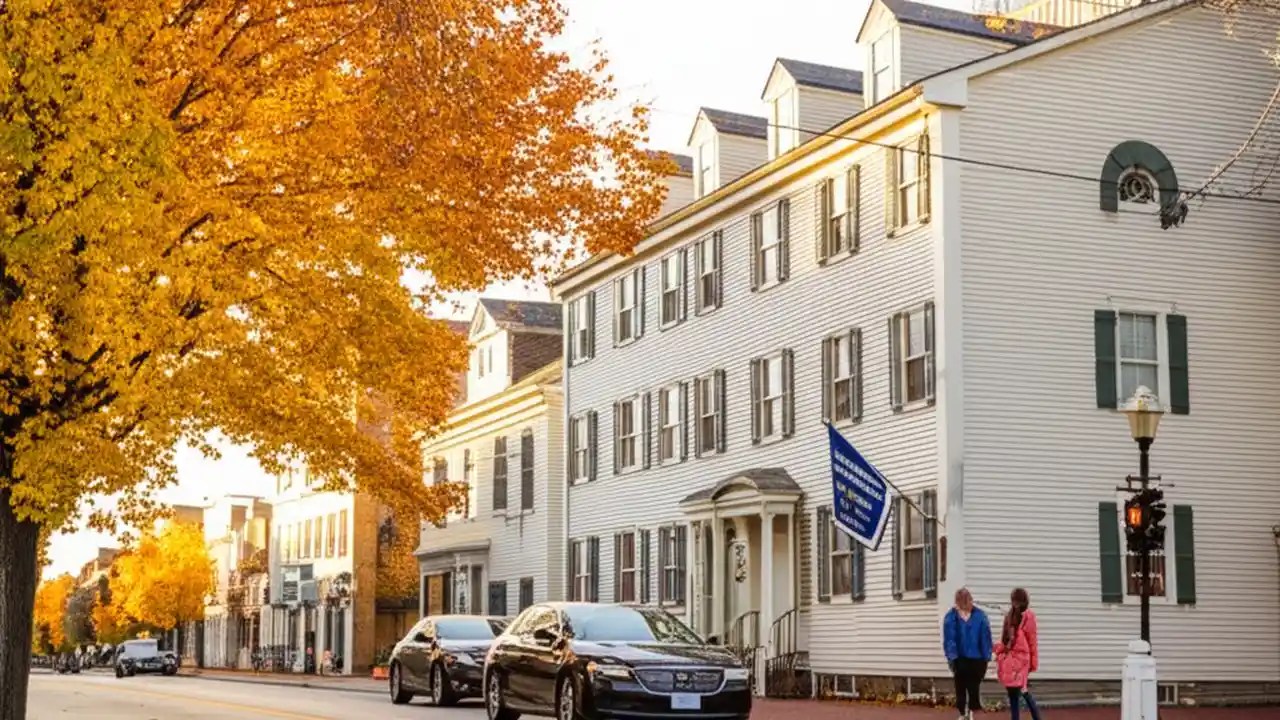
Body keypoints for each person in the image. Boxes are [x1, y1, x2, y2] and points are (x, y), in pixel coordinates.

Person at [944, 587, 993, 720]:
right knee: (960, 687)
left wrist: (986, 656)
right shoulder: (951, 617)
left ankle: (971, 711)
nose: (966, 605)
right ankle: (962, 712)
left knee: (973, 687)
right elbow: (950, 638)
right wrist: (952, 657)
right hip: (959, 658)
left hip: (977, 658)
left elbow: (985, 637)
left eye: (968, 601)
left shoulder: (980, 616)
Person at [996, 588, 1042, 720]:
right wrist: (1033, 663)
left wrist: (999, 654)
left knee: (1013, 695)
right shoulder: (1029, 617)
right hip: (1022, 662)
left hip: (1009, 661)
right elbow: (1032, 641)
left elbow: (1003, 641)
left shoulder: (1008, 616)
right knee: (1023, 691)